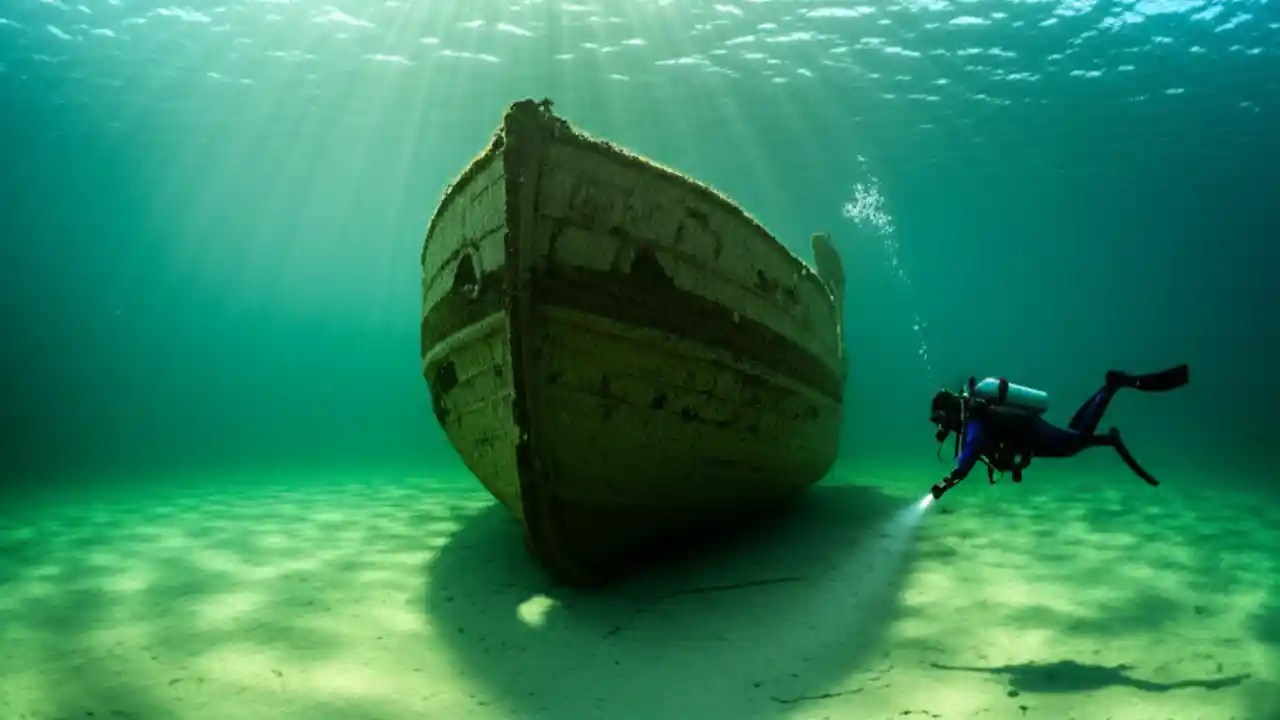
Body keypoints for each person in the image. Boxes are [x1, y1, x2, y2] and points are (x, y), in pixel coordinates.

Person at [929, 365, 1190, 500]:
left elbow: (972, 447)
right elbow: (979, 448)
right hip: (1028, 438)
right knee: (1072, 440)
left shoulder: (974, 418)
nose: (943, 427)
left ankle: (1112, 386)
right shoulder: (972, 418)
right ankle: (1106, 418)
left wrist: (950, 481)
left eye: (942, 420)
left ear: (951, 411)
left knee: (1073, 443)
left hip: (1030, 433)